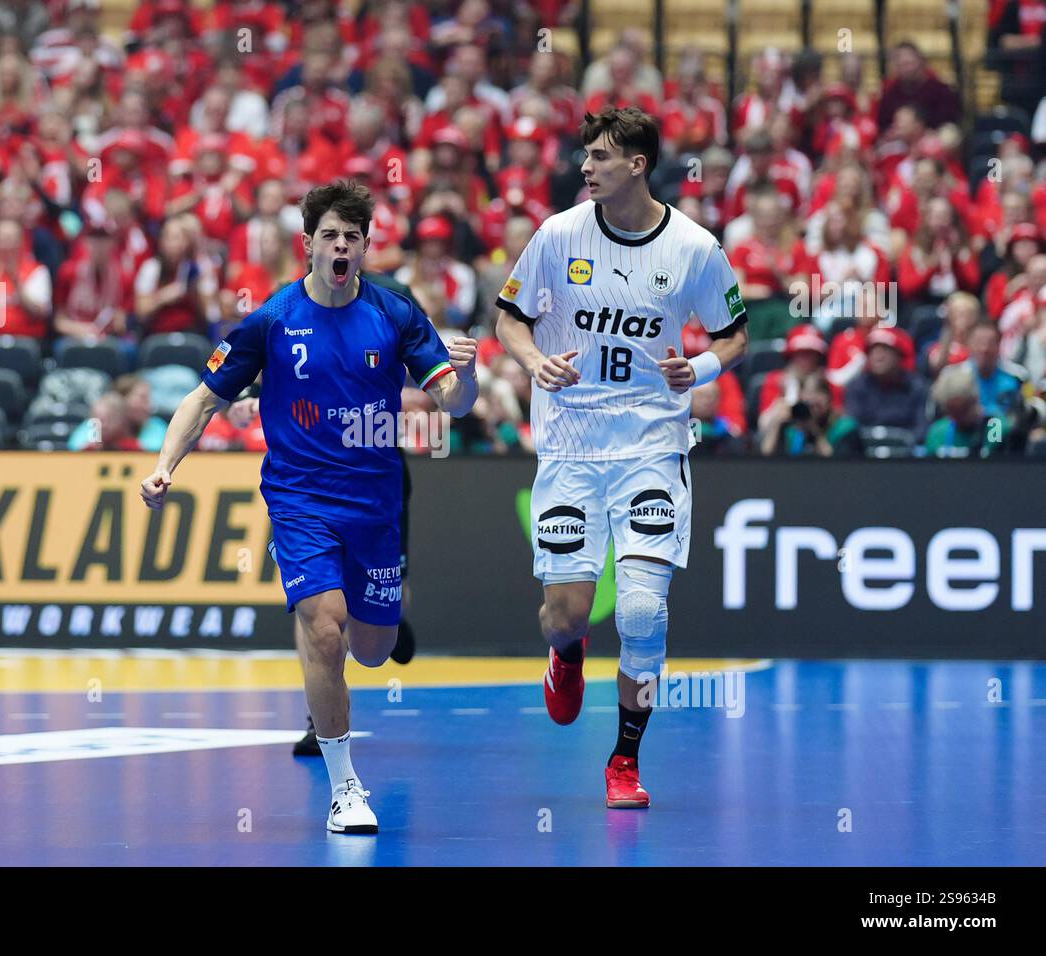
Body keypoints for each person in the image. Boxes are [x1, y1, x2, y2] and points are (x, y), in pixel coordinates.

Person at [139, 181, 479, 834]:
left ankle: (372, 629)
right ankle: (345, 788)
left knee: (373, 650)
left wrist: (462, 379)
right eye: (330, 235)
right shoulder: (272, 319)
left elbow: (451, 404)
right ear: (309, 246)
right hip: (300, 499)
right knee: (324, 626)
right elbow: (203, 399)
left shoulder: (397, 314)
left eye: (353, 236)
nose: (342, 245)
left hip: (375, 503)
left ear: (365, 246)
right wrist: (163, 466)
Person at [494, 107, 749, 809]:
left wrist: (696, 371)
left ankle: (625, 762)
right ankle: (565, 655)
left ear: (637, 164)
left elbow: (733, 335)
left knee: (641, 611)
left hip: (651, 448)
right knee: (568, 613)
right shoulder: (558, 235)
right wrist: (535, 360)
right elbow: (508, 315)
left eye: (601, 156)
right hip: (571, 446)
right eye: (586, 155)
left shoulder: (694, 247)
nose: (586, 166)